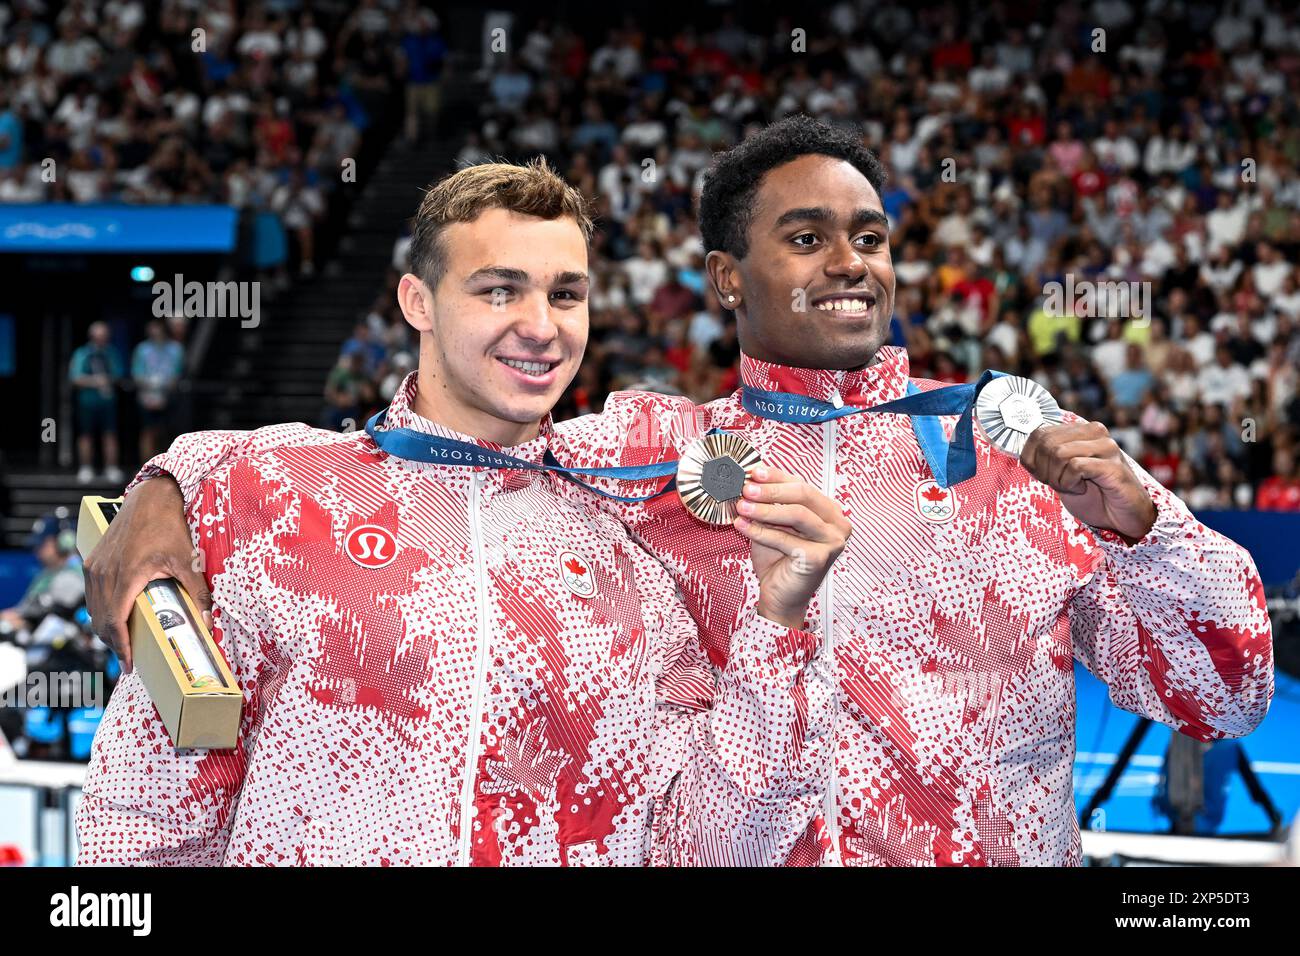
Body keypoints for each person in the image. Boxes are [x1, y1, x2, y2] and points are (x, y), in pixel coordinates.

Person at [86, 118, 1276, 866]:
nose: (850, 258)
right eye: (805, 236)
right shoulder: (642, 455)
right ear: (722, 276)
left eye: (868, 233)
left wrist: (1143, 519)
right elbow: (436, 461)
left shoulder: (1015, 467)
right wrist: (175, 481)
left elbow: (1227, 693)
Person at [77, 160, 848, 866]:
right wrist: (171, 474)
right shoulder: (268, 496)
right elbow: (143, 813)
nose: (542, 326)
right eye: (499, 289)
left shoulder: (627, 553)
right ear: (419, 301)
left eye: (565, 294)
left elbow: (704, 847)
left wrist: (778, 627)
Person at [69, 321, 124, 485]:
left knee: (110, 434)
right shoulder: (82, 353)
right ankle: (86, 467)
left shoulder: (111, 353)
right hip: (87, 401)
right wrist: (95, 381)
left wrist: (108, 380)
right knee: (86, 435)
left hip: (107, 401)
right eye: (98, 336)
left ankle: (111, 467)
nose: (101, 339)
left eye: (104, 336)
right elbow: (75, 378)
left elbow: (118, 374)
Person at [131, 319, 185, 462]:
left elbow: (177, 373)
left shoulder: (175, 348)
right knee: (148, 431)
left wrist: (164, 396)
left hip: (168, 397)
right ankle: (146, 467)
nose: (154, 332)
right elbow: (137, 374)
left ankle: (167, 466)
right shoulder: (142, 349)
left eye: (157, 328)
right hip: (146, 397)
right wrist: (149, 396)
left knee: (166, 432)